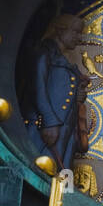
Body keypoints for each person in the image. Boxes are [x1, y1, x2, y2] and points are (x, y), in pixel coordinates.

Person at [29, 13, 89, 173]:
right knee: (45, 170)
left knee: (62, 171)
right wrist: (49, 122)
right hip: (50, 128)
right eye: (75, 32)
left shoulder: (59, 58)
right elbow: (38, 88)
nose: (79, 37)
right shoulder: (44, 53)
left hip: (64, 128)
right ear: (60, 31)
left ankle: (63, 196)